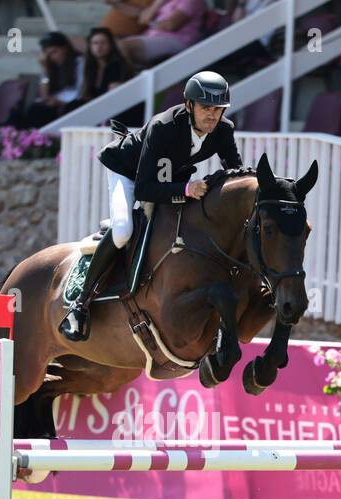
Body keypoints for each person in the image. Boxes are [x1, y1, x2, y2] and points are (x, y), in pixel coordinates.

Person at [60, 71, 243, 342]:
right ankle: (80, 306)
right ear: (189, 105)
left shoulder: (223, 129)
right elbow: (145, 188)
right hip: (129, 173)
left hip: (169, 179)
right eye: (206, 107)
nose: (212, 115)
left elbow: (235, 171)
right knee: (123, 229)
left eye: (218, 109)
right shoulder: (163, 127)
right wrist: (186, 189)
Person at [16, 31, 82, 128]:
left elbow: (80, 93)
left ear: (65, 48)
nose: (52, 57)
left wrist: (60, 103)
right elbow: (44, 96)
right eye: (49, 54)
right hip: (55, 105)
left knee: (39, 113)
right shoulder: (51, 66)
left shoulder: (79, 62)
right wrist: (45, 70)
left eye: (55, 52)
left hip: (71, 106)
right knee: (28, 111)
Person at [120, 0, 207, 67]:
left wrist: (152, 17)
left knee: (123, 47)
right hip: (156, 36)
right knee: (116, 48)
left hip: (178, 40)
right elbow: (142, 16)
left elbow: (171, 25)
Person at [77, 27, 132, 104]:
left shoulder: (118, 65)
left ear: (111, 45)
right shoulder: (90, 66)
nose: (99, 47)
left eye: (103, 43)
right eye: (95, 43)